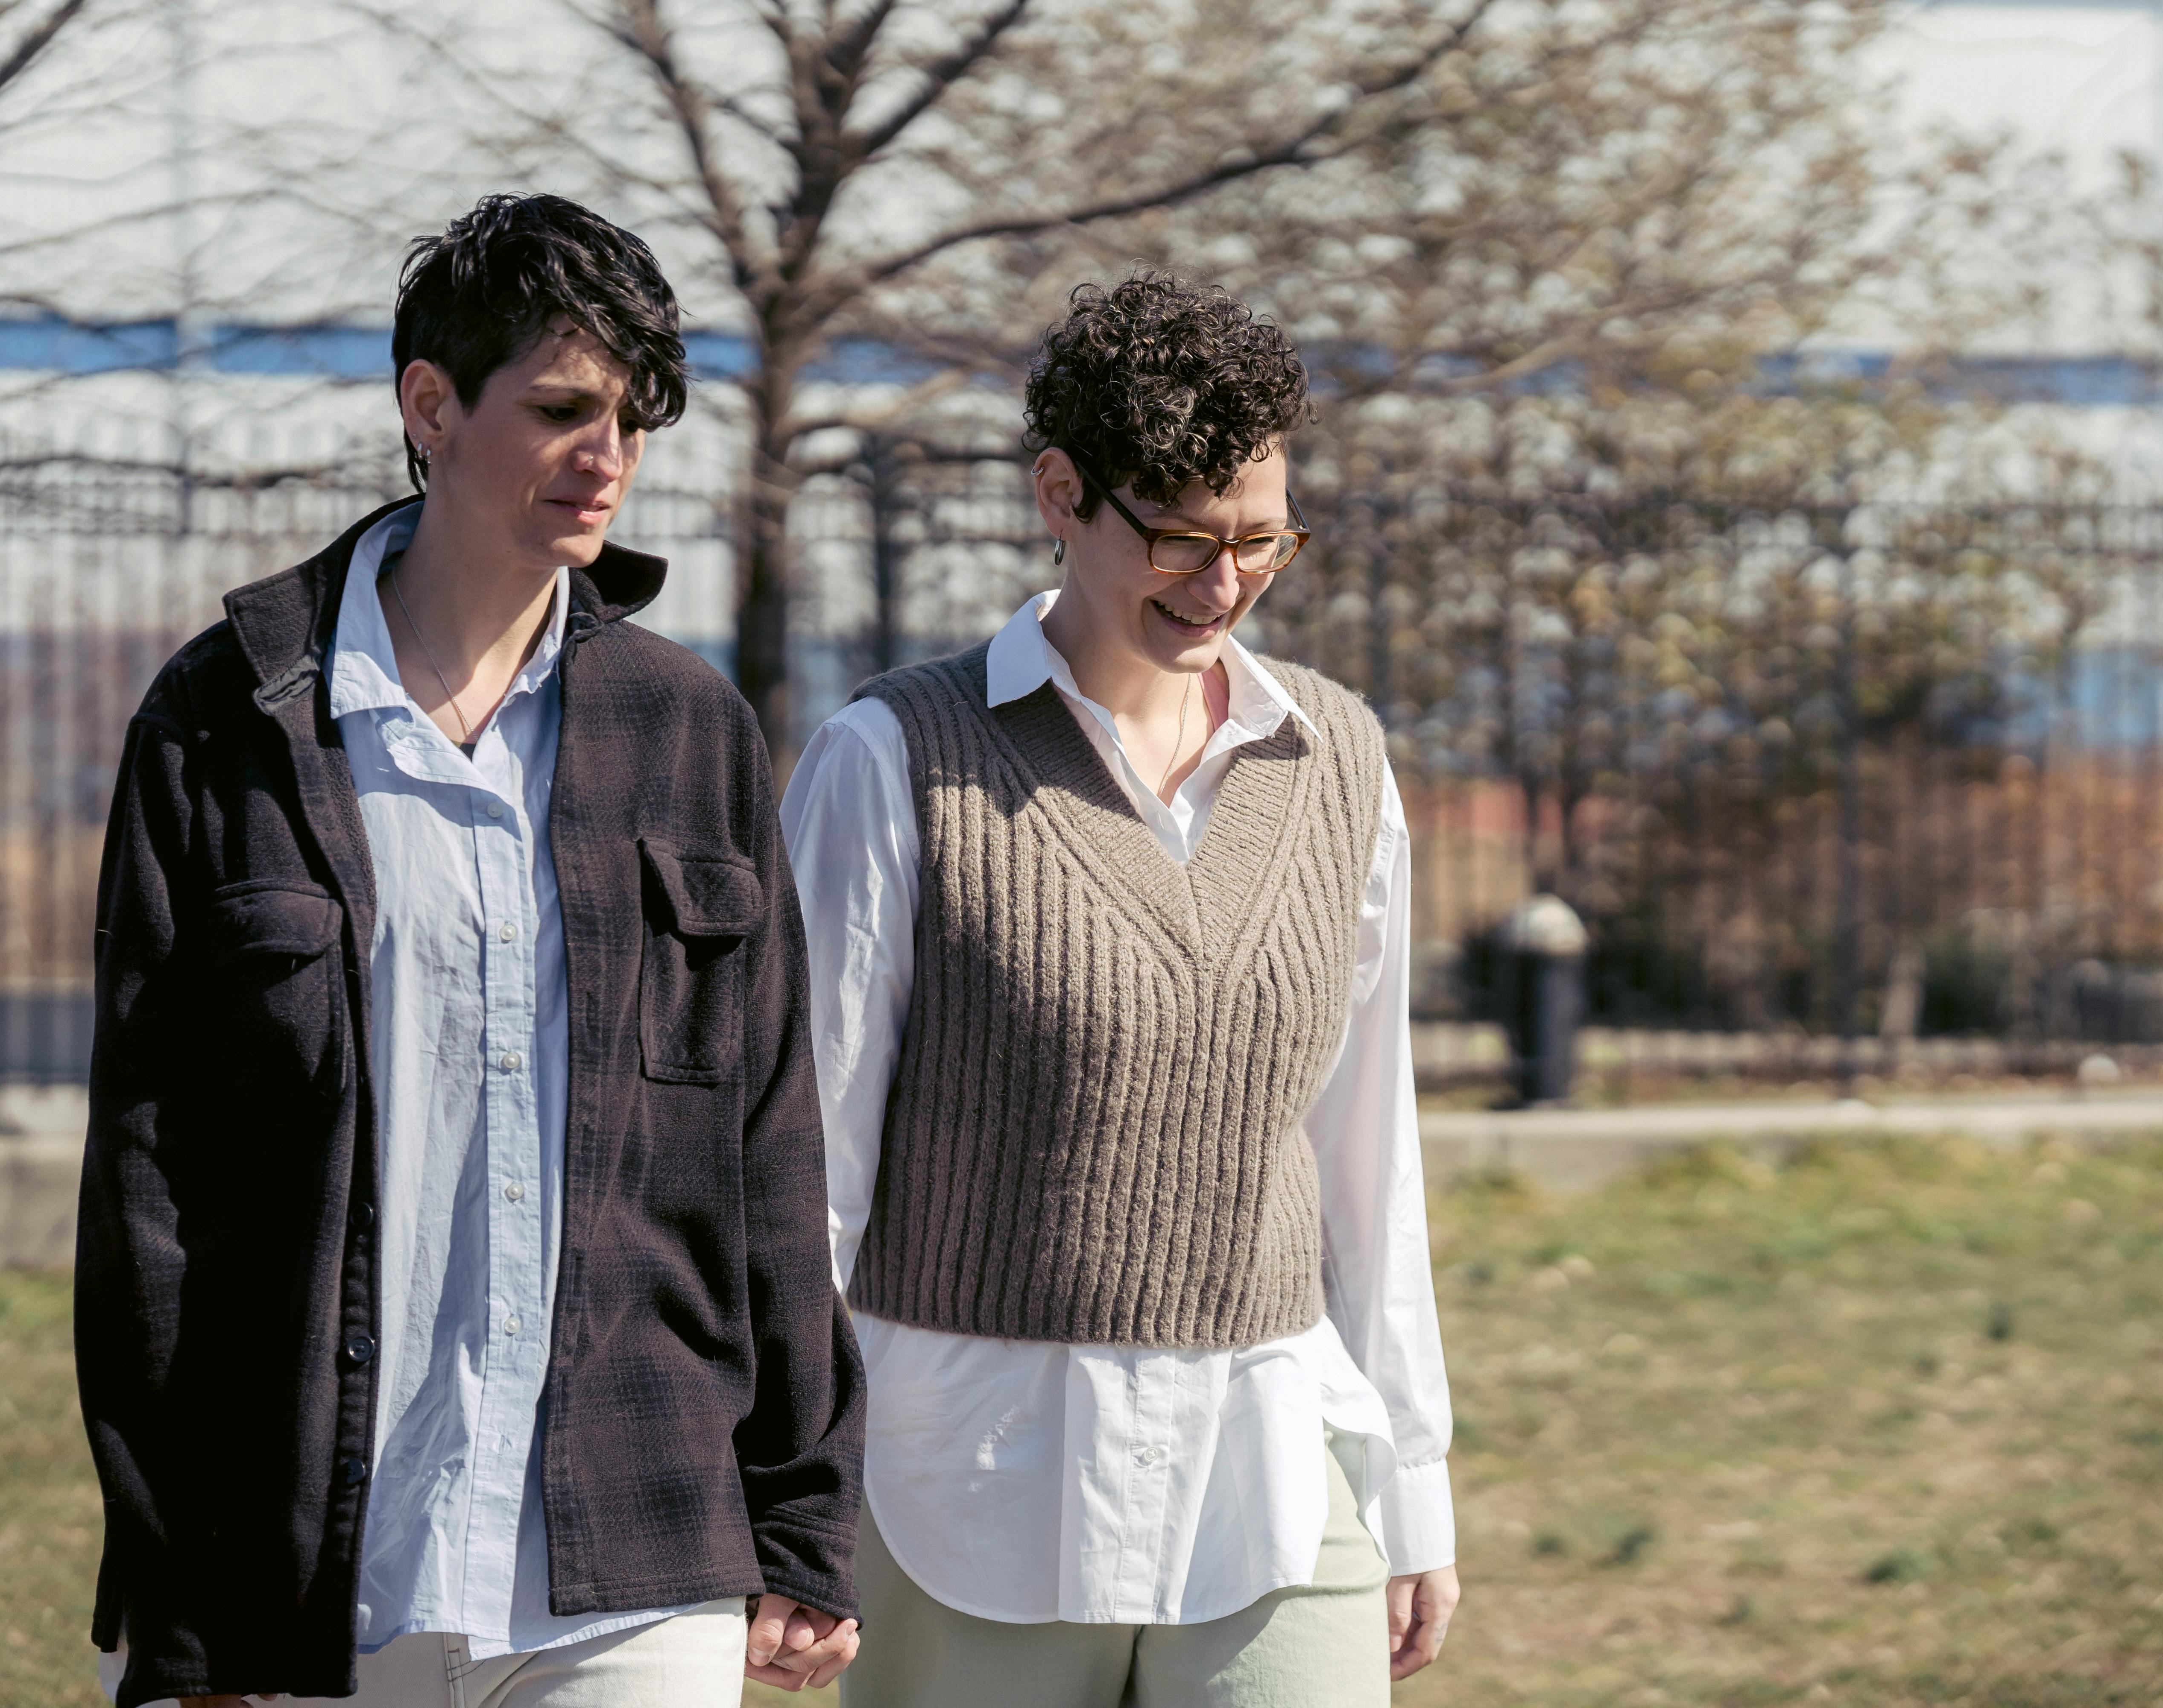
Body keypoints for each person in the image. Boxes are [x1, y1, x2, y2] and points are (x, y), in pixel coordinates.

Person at [76, 193, 863, 1708]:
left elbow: (767, 1145)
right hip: (302, 1560)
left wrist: (800, 1511)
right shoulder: (231, 723)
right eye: (562, 408)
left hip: (636, 1553)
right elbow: (148, 1191)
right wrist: (184, 1587)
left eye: (635, 420)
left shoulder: (690, 735)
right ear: (427, 405)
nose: (609, 457)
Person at [781, 273, 1460, 1707]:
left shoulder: (1337, 760)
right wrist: (783, 1494)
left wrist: (1413, 1479)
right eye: (1176, 540)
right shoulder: (893, 761)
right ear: (1060, 493)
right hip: (971, 1481)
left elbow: (1365, 1151)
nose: (1222, 586)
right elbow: (808, 1171)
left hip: (1272, 1468)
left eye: (1261, 542)